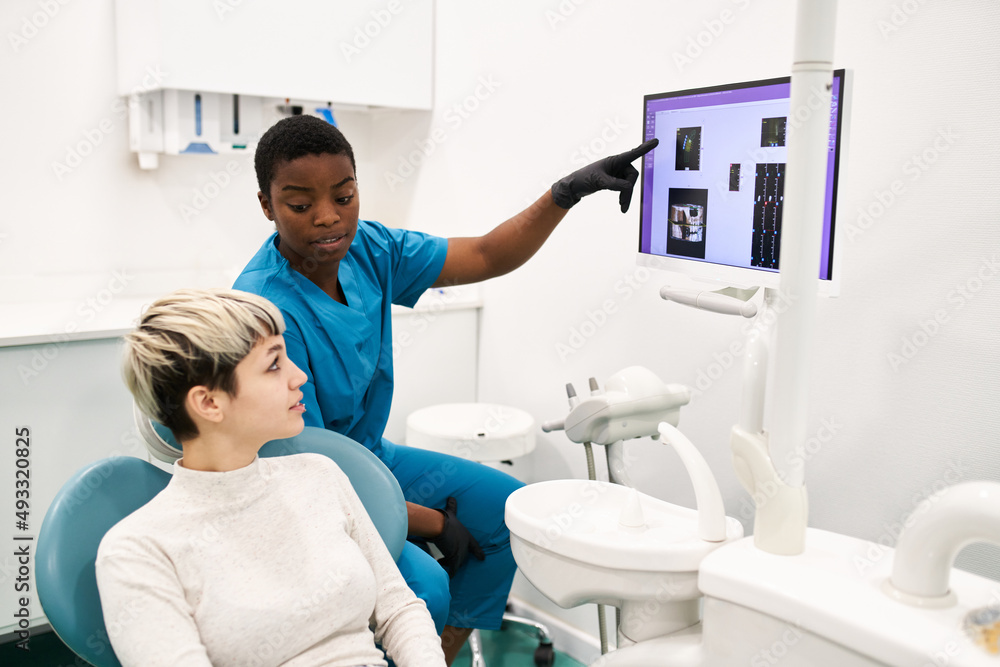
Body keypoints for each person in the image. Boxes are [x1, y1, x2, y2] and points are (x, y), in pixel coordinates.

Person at [233, 114, 656, 663]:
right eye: (299, 204)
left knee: (506, 511)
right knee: (427, 585)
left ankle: (438, 655)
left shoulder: (371, 248)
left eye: (344, 195)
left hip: (370, 459)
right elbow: (307, 470)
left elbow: (483, 255)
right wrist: (431, 521)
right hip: (305, 490)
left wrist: (564, 194)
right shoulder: (263, 307)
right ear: (267, 205)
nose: (329, 218)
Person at [95, 288, 446, 667]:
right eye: (274, 364)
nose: (300, 376)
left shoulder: (319, 474)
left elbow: (398, 608)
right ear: (209, 403)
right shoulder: (138, 550)